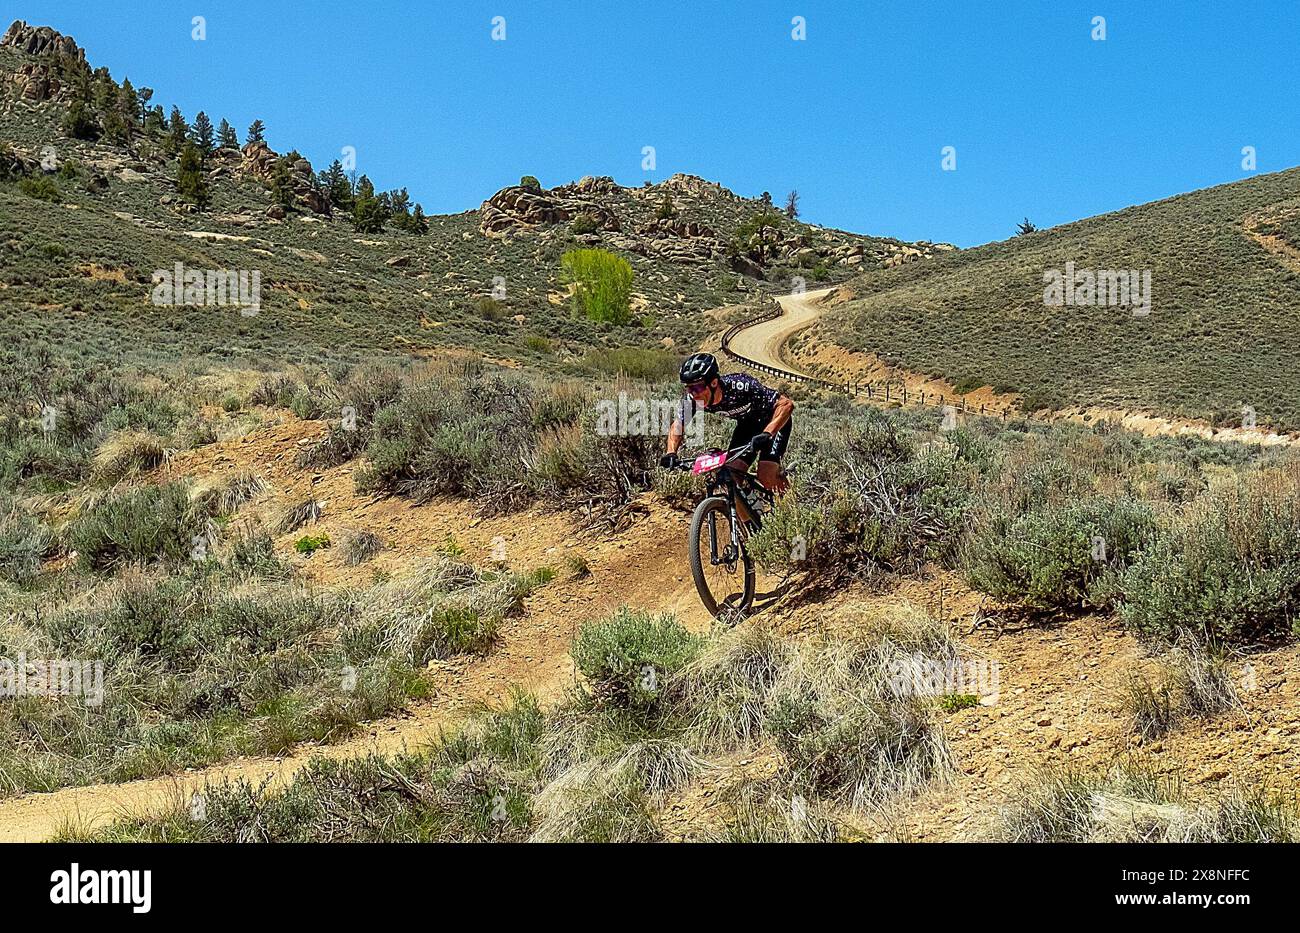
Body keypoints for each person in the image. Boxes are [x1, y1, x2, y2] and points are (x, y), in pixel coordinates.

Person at [660, 352, 793, 494]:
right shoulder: (693, 400)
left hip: (774, 422)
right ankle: (749, 513)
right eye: (689, 388)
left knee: (766, 476)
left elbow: (786, 404)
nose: (693, 393)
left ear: (714, 383)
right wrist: (671, 453)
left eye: (697, 388)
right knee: (730, 476)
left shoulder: (741, 386)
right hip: (748, 426)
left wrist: (767, 433)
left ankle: (791, 507)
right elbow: (678, 424)